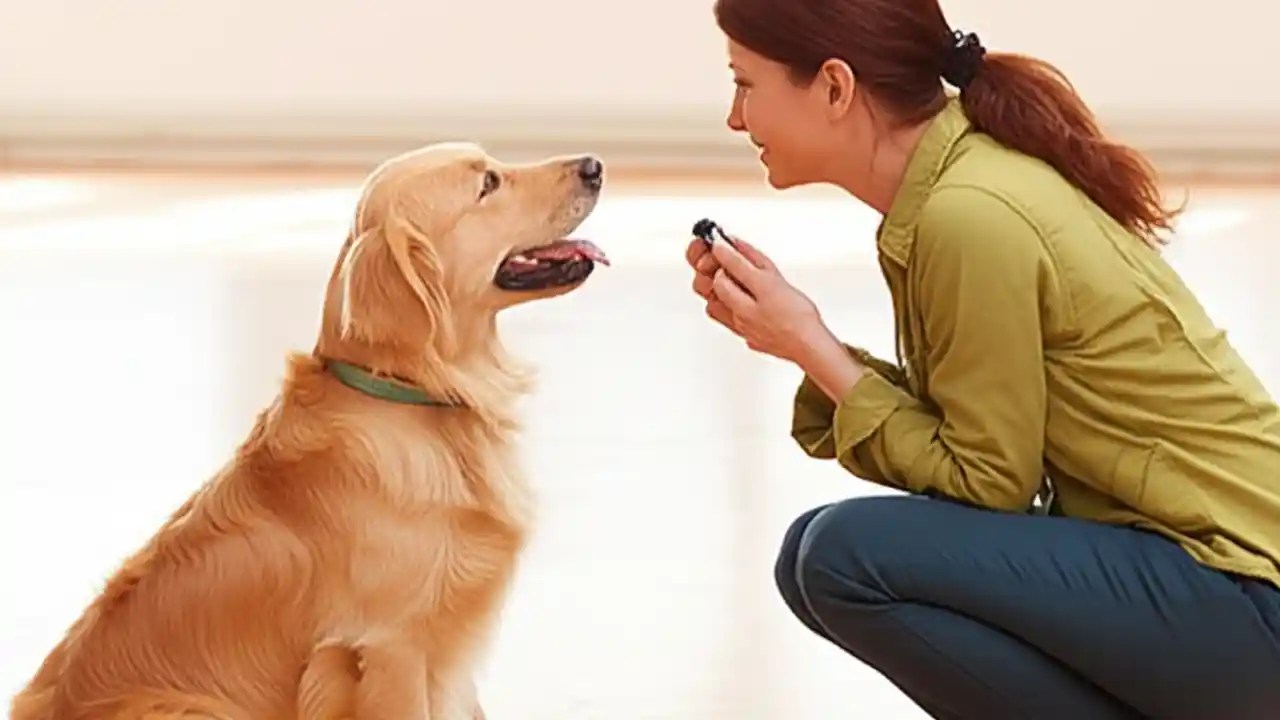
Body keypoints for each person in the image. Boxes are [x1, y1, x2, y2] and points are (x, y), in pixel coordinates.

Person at [684, 0, 1280, 718]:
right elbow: (978, 448)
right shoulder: (959, 186)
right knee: (812, 557)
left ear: (836, 87)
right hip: (1212, 587)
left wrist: (811, 345)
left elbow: (987, 482)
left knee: (841, 556)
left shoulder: (969, 213)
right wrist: (804, 342)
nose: (735, 118)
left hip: (1245, 596)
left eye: (746, 84)